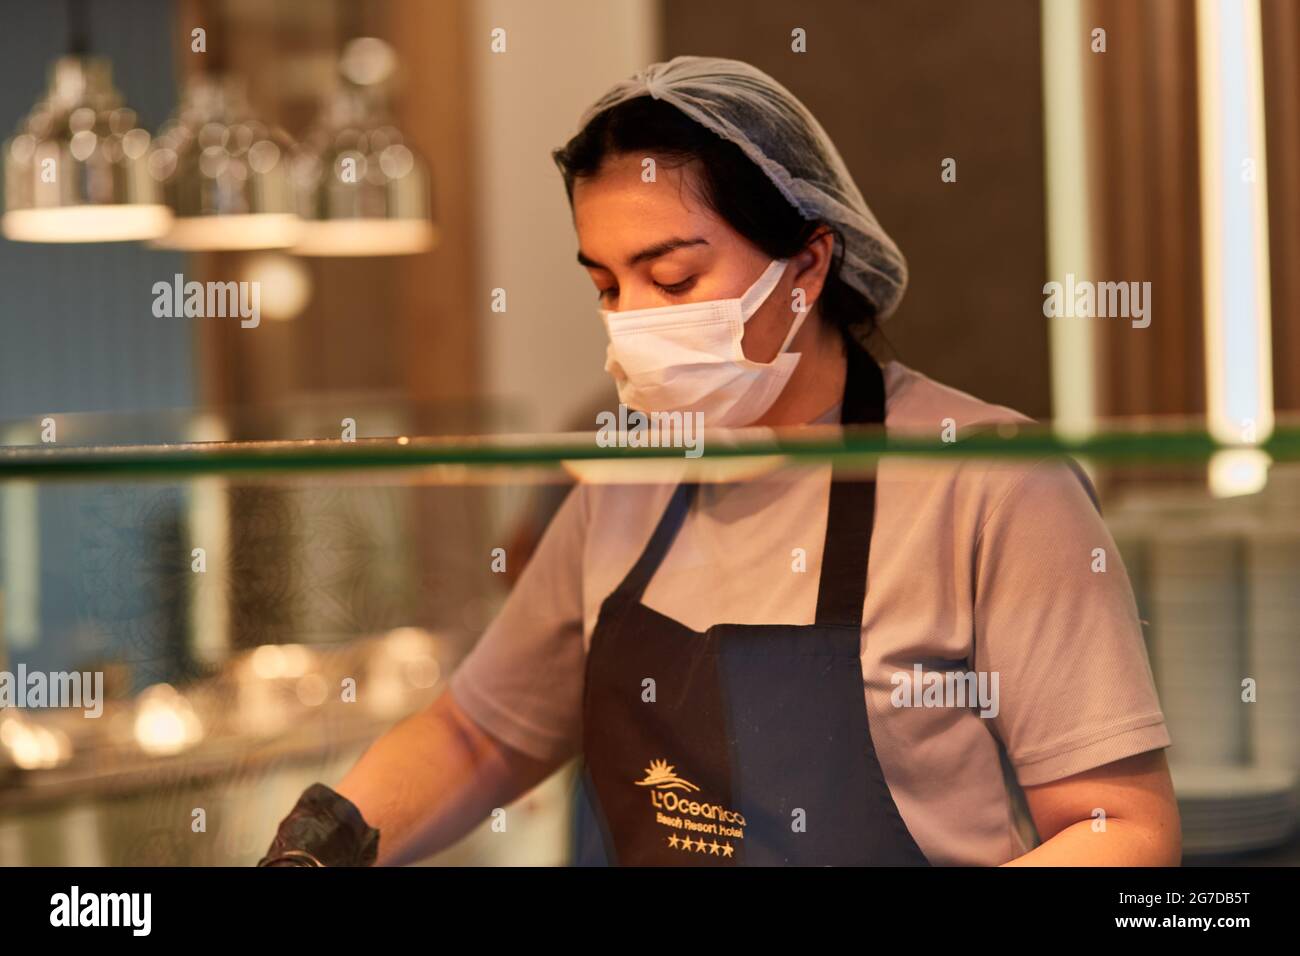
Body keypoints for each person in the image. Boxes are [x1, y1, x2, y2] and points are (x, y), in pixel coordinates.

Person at [260, 56, 1179, 867]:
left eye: (674, 280)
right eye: (608, 286)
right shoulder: (624, 485)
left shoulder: (989, 483)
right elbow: (477, 736)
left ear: (809, 264)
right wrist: (322, 846)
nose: (636, 321)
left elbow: (1122, 831)